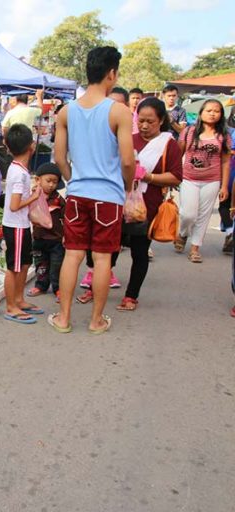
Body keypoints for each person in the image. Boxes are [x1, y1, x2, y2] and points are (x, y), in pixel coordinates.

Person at [50, 46, 136, 335]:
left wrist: (74, 180)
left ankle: (63, 318)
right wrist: (126, 187)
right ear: (111, 73)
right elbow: (127, 160)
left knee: (72, 255)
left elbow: (60, 158)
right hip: (108, 197)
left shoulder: (66, 111)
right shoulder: (120, 112)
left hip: (77, 194)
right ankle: (96, 320)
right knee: (101, 259)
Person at [114, 98, 183, 311]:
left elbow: (176, 177)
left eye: (150, 121)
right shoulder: (128, 139)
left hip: (147, 205)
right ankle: (96, 285)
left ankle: (131, 295)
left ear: (161, 120)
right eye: (141, 120)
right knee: (109, 248)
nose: (144, 126)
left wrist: (148, 177)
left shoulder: (168, 144)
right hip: (119, 201)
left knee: (139, 251)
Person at [0, 124, 45, 324]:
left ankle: (19, 299)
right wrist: (34, 197)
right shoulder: (18, 173)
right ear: (31, 146)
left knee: (25, 264)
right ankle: (11, 306)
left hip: (21, 225)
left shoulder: (20, 170)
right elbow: (15, 204)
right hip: (16, 225)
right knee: (14, 267)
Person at [175, 99, 230, 263]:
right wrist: (173, 176)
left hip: (212, 180)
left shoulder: (223, 136)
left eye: (217, 111)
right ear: (201, 113)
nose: (213, 113)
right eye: (209, 110)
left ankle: (195, 248)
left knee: (203, 216)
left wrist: (224, 186)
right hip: (189, 178)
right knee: (188, 214)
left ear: (221, 115)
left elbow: (226, 162)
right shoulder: (189, 131)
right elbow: (178, 154)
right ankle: (183, 233)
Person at [29, 163, 68, 299]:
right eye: (48, 181)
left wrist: (66, 236)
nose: (51, 185)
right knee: (41, 265)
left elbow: (66, 217)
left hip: (56, 239)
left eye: (55, 182)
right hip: (39, 238)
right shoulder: (33, 196)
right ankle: (41, 285)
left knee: (56, 266)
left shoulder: (58, 199)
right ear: (38, 180)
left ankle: (58, 288)